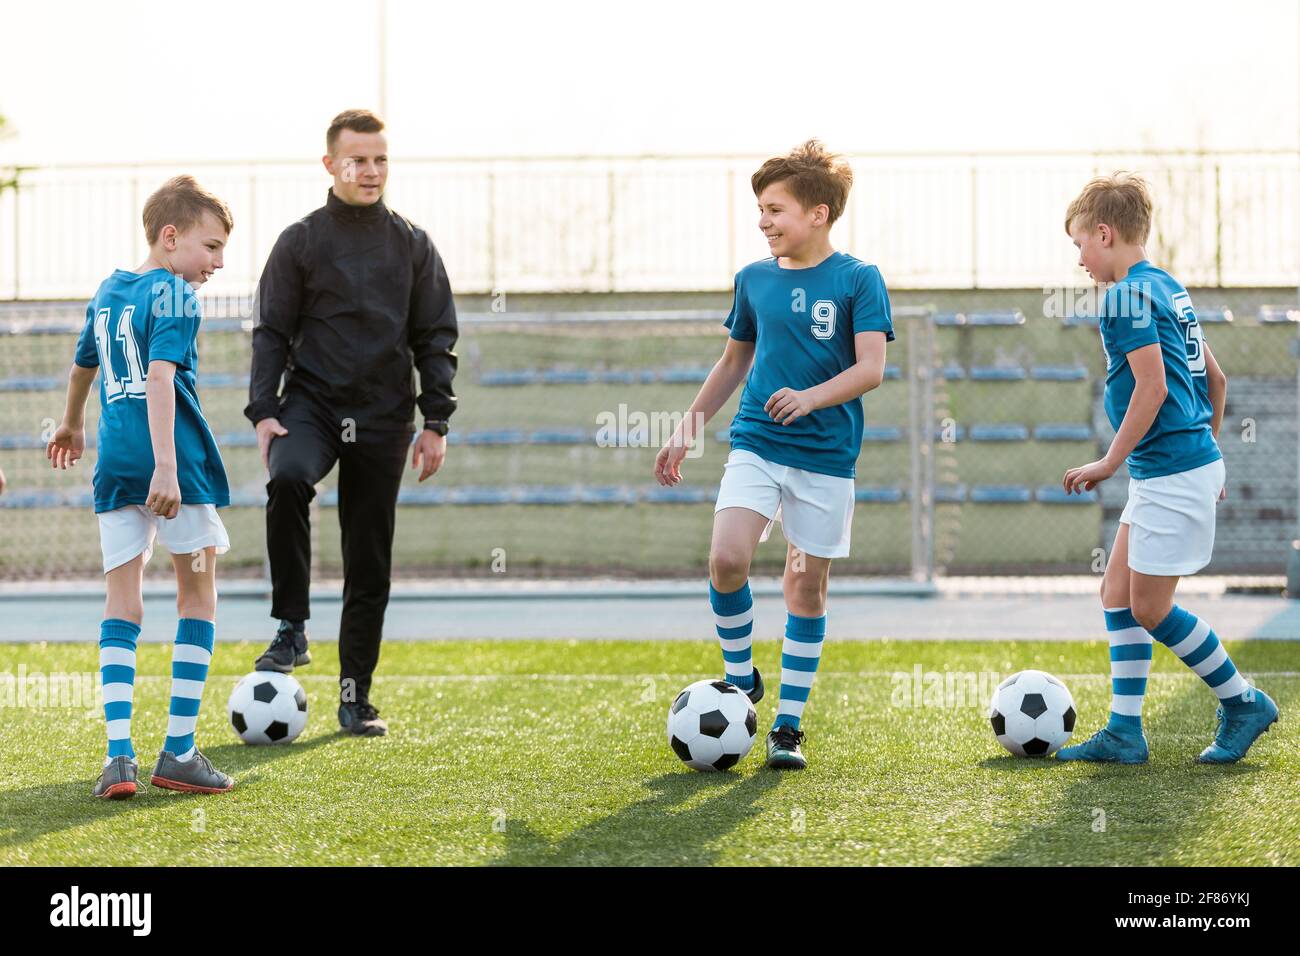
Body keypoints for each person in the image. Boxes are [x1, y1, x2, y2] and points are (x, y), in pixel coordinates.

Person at [654, 140, 892, 770]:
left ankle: (787, 726)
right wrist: (688, 428)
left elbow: (872, 368)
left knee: (804, 587)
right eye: (759, 209)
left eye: (774, 209)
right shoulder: (753, 280)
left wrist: (812, 398)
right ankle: (740, 683)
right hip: (757, 441)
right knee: (727, 559)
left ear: (818, 213)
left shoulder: (858, 280)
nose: (763, 221)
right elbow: (735, 359)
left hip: (827, 454)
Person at [245, 109, 459, 737]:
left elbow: (435, 336)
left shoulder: (413, 243)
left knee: (368, 559)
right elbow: (271, 331)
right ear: (331, 164)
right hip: (310, 406)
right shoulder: (300, 241)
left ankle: (353, 697)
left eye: (380, 159)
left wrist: (435, 420)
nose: (370, 171)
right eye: (358, 159)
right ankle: (291, 625)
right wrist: (264, 410)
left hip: (385, 415)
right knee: (287, 481)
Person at [1058, 172, 1278, 764]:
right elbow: (1217, 378)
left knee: (1149, 608)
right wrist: (1208, 450)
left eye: (1079, 243)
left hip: (1171, 472)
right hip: (1176, 468)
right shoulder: (1167, 286)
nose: (1078, 258)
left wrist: (1109, 461)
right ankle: (1125, 732)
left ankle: (1242, 701)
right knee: (1117, 591)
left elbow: (1152, 387)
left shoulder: (1125, 295)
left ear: (1104, 234)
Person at [47, 175, 236, 798]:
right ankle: (178, 751)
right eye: (210, 247)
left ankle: (119, 758)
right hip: (172, 464)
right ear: (170, 236)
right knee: (198, 596)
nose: (217, 262)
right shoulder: (177, 296)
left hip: (114, 464)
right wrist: (167, 467)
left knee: (121, 604)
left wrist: (73, 424)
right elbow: (159, 379)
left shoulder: (109, 290)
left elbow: (83, 366)